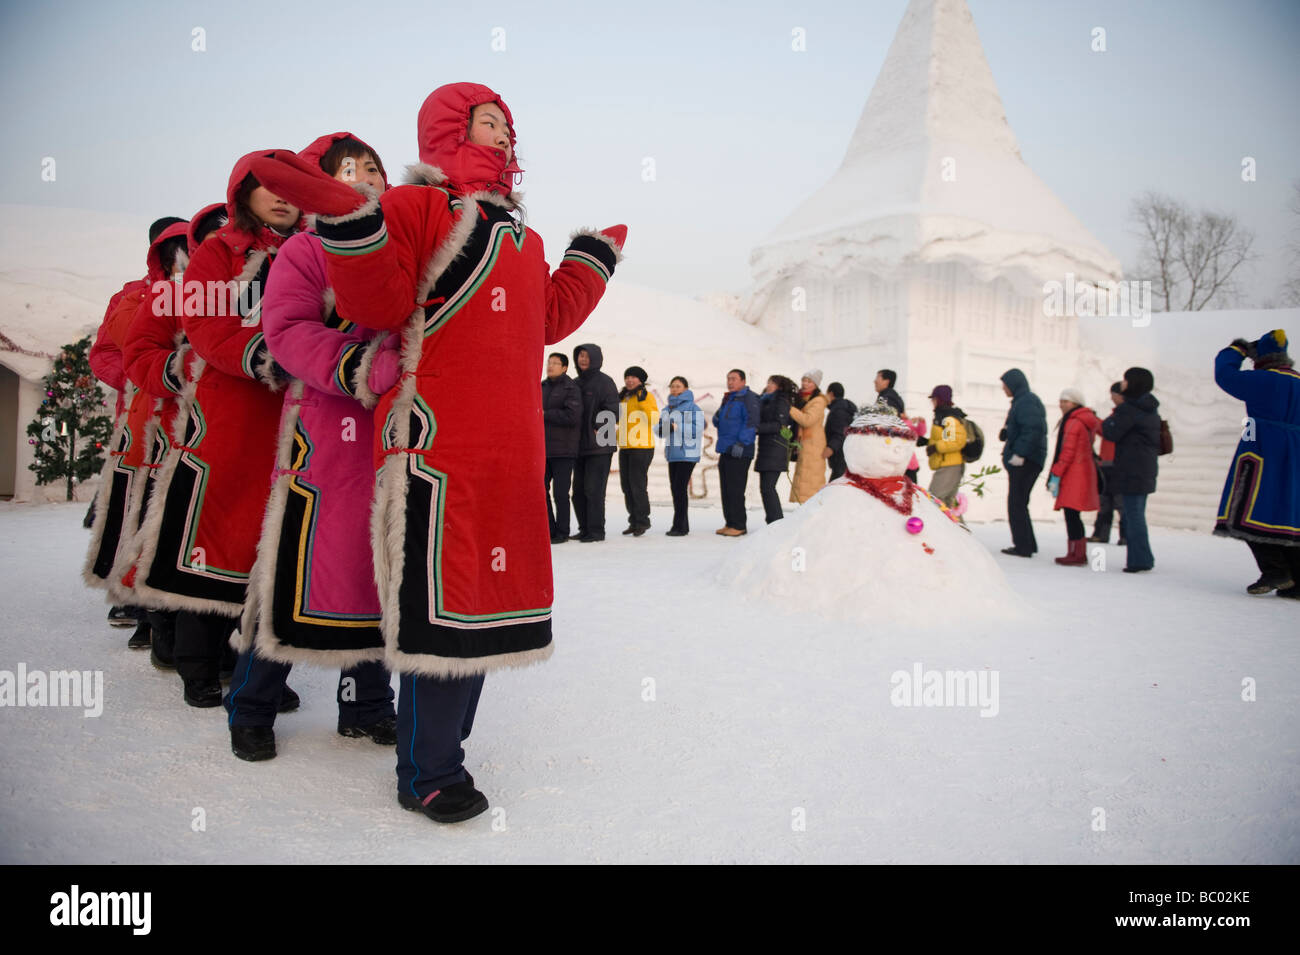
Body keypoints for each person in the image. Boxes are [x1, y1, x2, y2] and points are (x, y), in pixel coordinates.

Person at [253, 81, 624, 823]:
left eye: (509, 126)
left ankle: (438, 749)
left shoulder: (522, 234)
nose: (503, 136)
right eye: (489, 122)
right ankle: (428, 769)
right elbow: (378, 305)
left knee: (485, 610)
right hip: (436, 441)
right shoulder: (419, 207)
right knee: (441, 611)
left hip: (509, 446)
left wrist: (587, 263)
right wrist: (352, 225)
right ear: (452, 129)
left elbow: (543, 321)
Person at [226, 132, 398, 762]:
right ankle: (251, 706)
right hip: (324, 435)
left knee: (381, 573)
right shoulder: (304, 250)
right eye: (348, 169)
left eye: (374, 167)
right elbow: (289, 333)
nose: (365, 178)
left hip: (390, 441)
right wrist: (365, 368)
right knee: (293, 572)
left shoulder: (403, 246)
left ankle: (367, 706)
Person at [127, 149, 305, 709]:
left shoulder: (311, 251)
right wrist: (183, 369)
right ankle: (196, 661)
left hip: (293, 420)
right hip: (226, 418)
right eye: (267, 187)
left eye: (291, 188)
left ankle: (253, 664)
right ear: (242, 194)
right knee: (211, 539)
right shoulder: (214, 256)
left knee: (270, 547)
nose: (282, 197)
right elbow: (175, 338)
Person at [116, 204, 228, 671]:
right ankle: (160, 623)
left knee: (219, 536)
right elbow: (125, 353)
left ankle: (220, 645)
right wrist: (175, 373)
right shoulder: (168, 295)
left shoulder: (255, 289)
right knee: (166, 528)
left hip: (228, 428)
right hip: (163, 424)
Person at [84, 218, 189, 649]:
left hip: (190, 419)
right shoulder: (132, 296)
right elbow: (109, 352)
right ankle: (132, 598)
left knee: (172, 513)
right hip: (141, 420)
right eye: (171, 248)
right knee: (135, 509)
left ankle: (160, 608)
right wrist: (137, 379)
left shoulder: (212, 291)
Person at [1213, 331, 1300, 597]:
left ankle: (1275, 570)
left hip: (1263, 448)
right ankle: (1295, 582)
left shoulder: (1263, 380)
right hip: (1296, 452)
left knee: (1245, 510)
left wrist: (1236, 350)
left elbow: (1225, 375)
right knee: (1290, 514)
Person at [1101, 367, 1160, 573]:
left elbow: (1110, 431)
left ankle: (1139, 560)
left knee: (1132, 516)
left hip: (1131, 469)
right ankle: (1143, 557)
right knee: (1136, 514)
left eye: (1125, 380)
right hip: (1145, 467)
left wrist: (1115, 413)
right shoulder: (1149, 407)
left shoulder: (1130, 409)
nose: (1122, 383)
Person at [570, 343, 620, 542]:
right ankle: (584, 528)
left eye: (586, 356)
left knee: (594, 490)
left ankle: (596, 531)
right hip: (578, 445)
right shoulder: (574, 383)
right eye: (580, 355)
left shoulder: (605, 382)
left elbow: (614, 410)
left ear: (596, 358)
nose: (583, 359)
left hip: (600, 444)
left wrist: (597, 425)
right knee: (578, 492)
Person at [1047, 388, 1101, 566]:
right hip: (1082, 471)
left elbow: (1067, 451)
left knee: (1071, 514)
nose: (1062, 404)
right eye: (1061, 401)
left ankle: (1075, 554)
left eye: (1066, 401)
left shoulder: (1074, 422)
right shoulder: (1084, 420)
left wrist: (1057, 471)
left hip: (1074, 474)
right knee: (1073, 514)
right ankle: (1078, 552)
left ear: (1076, 403)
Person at [998, 368, 1047, 557]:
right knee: (1020, 503)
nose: (1003, 389)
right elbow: (1023, 427)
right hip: (1028, 459)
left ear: (1014, 384)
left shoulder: (1027, 401)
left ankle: (1023, 546)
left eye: (1005, 385)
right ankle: (1028, 543)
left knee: (1016, 503)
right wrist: (1007, 433)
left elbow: (1033, 429)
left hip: (1026, 460)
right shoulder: (1022, 401)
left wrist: (1019, 453)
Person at [713, 368, 760, 535]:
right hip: (725, 449)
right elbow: (722, 421)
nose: (730, 382)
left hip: (740, 450)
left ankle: (739, 525)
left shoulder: (749, 398)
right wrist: (717, 417)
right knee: (726, 488)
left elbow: (752, 422)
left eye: (733, 379)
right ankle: (730, 523)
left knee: (736, 489)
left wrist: (742, 443)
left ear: (743, 381)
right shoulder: (729, 398)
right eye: (728, 379)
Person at [541, 352, 581, 544]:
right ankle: (548, 529)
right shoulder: (541, 386)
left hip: (564, 449)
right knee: (541, 489)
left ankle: (563, 531)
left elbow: (572, 416)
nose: (551, 366)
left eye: (555, 363)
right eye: (549, 362)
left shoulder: (570, 388)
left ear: (565, 368)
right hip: (543, 449)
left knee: (560, 493)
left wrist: (545, 414)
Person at [657, 375, 703, 536]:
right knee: (676, 490)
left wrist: (677, 425)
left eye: (678, 386)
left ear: (685, 389)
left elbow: (697, 429)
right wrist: (662, 428)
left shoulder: (693, 408)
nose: (674, 389)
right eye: (672, 386)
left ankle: (680, 527)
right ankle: (682, 525)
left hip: (687, 454)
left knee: (679, 489)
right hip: (673, 454)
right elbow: (660, 432)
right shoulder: (667, 409)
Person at [617, 365, 657, 536]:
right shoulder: (624, 397)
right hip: (626, 447)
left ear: (641, 381)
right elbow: (622, 422)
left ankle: (642, 521)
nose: (629, 380)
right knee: (626, 486)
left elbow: (654, 418)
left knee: (637, 485)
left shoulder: (646, 396)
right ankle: (633, 520)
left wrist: (642, 402)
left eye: (633, 377)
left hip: (642, 447)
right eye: (627, 377)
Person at [754, 374, 796, 523]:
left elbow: (779, 425)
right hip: (767, 448)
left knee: (768, 487)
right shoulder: (767, 401)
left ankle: (776, 521)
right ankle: (773, 520)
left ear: (779, 386)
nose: (768, 385)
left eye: (771, 383)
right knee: (766, 488)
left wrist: (756, 428)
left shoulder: (781, 401)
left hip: (775, 449)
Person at [1089, 382, 1127, 545]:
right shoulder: (1115, 415)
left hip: (1117, 464)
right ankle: (1101, 533)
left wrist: (1095, 420)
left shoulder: (1124, 415)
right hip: (1106, 464)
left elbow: (1106, 431)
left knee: (1120, 502)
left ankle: (1125, 535)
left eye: (1114, 394)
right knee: (1105, 501)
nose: (1112, 397)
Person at [920, 385, 967, 508]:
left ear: (939, 399)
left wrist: (935, 447)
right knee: (945, 505)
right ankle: (957, 527)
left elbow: (956, 441)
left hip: (950, 465)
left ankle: (949, 527)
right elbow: (945, 437)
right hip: (946, 464)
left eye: (934, 399)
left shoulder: (949, 418)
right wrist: (926, 441)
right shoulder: (941, 416)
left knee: (935, 500)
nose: (932, 402)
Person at [788, 370, 829, 503]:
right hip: (805, 444)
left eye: (809, 381)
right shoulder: (804, 399)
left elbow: (807, 420)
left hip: (813, 445)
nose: (805, 384)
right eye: (804, 380)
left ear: (816, 385)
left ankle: (808, 507)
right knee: (802, 479)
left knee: (810, 479)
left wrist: (790, 409)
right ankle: (801, 506)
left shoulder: (818, 401)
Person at [823, 381, 857, 481]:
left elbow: (840, 431)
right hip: (843, 454)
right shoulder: (843, 408)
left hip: (840, 455)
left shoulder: (839, 410)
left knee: (834, 486)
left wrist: (831, 448)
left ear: (831, 394)